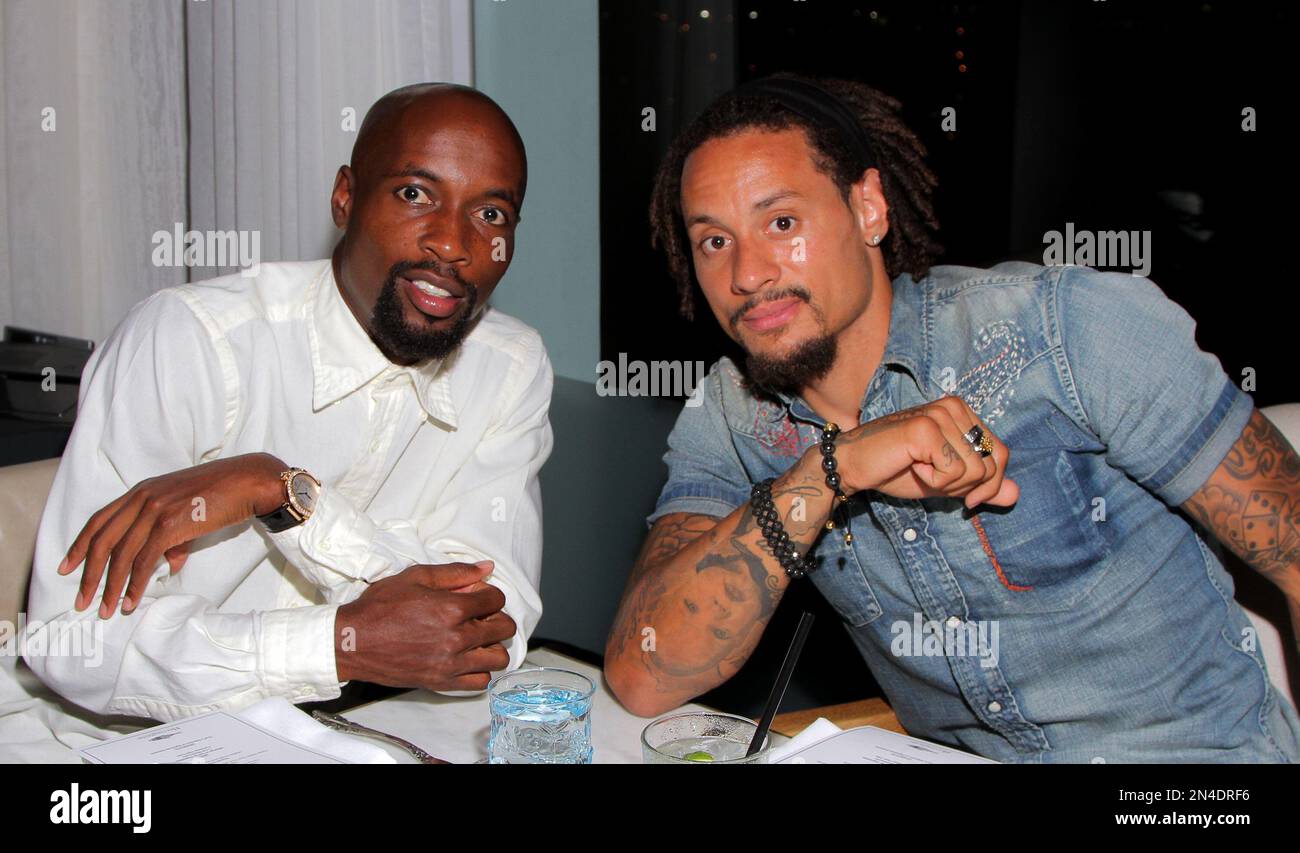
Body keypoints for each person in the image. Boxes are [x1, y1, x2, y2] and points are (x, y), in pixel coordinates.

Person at [605, 73, 1300, 763]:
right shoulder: (732, 415)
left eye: (782, 223)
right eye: (713, 242)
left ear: (870, 207)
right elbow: (644, 672)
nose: (747, 274)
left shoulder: (1065, 331)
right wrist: (829, 471)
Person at [24, 83, 552, 721]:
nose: (453, 244)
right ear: (345, 197)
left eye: (491, 214)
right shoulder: (189, 342)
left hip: (376, 729)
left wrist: (282, 495)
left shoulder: (510, 366)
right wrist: (339, 646)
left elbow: (491, 627)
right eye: (415, 194)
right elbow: (73, 642)